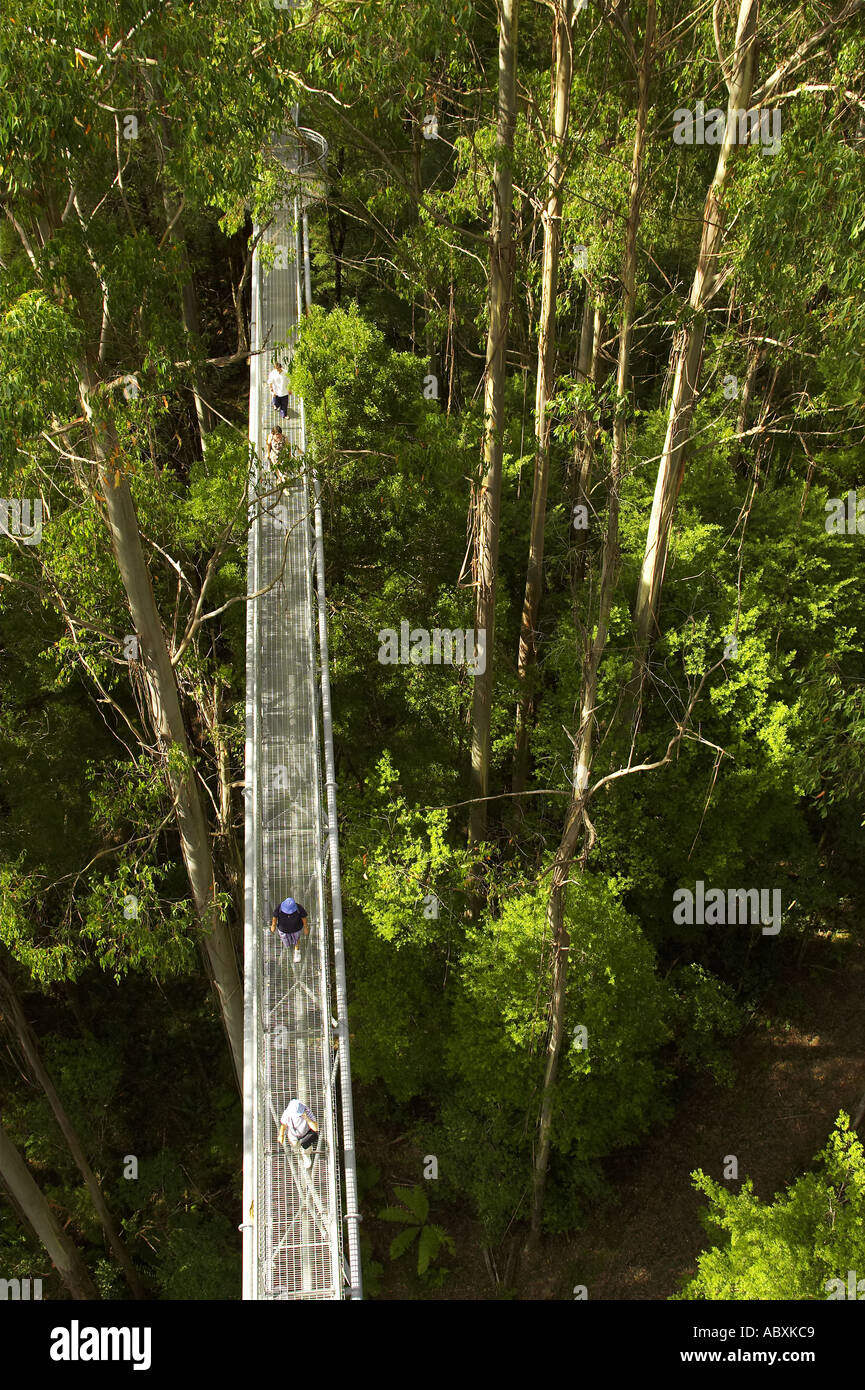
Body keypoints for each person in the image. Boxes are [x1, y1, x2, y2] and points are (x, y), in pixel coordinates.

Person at [278, 1099, 319, 1169]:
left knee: (306, 1146)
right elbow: (283, 1125)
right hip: (293, 1134)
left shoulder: (306, 1111)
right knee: (295, 1145)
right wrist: (281, 1135)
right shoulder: (287, 1113)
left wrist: (307, 1118)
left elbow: (315, 1128)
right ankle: (298, 1150)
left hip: (305, 1133)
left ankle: (306, 1154)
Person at [269, 896, 309, 964]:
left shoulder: (299, 908)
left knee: (296, 940)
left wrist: (305, 927)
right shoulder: (279, 908)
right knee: (286, 941)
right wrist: (273, 926)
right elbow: (275, 917)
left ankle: (297, 951)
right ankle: (288, 946)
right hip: (283, 930)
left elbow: (304, 917)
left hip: (296, 929)